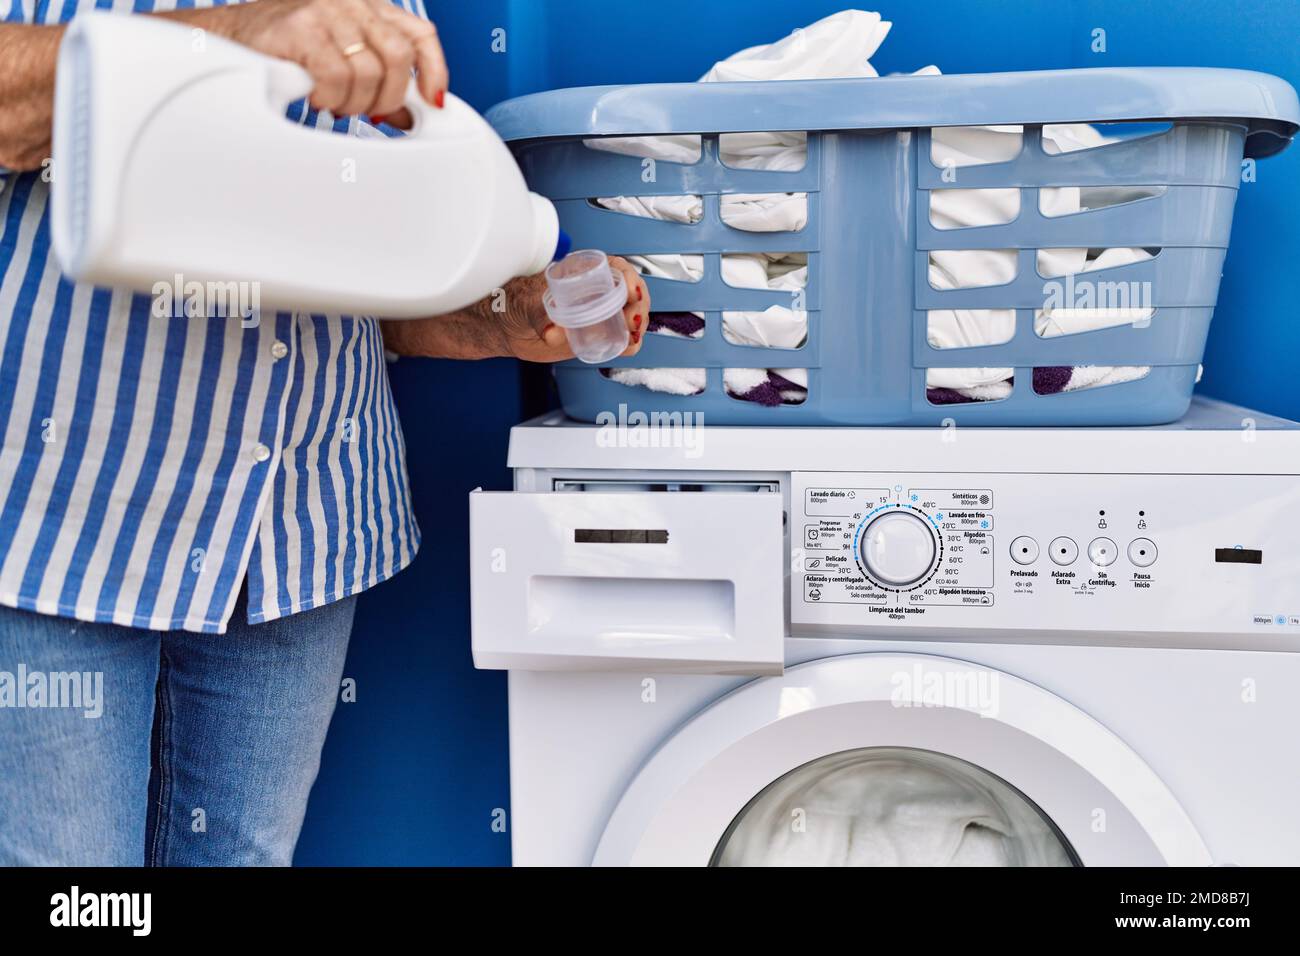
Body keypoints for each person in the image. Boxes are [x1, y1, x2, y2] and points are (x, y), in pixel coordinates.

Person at [0, 0, 647, 865]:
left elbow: (363, 267)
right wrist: (230, 40)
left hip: (298, 524)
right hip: (59, 510)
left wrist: (505, 311)